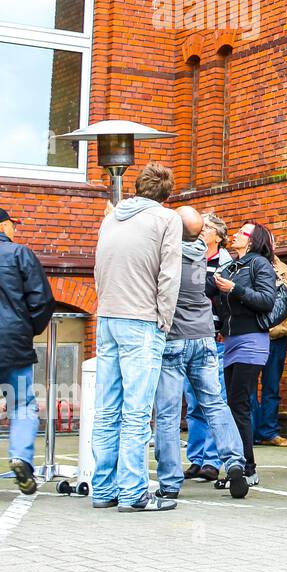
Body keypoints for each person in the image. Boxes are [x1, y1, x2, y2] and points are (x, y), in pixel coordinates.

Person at [91, 163, 183, 512]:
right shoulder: (166, 219)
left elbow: (99, 267)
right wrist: (164, 318)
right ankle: (132, 493)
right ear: (166, 193)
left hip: (108, 315)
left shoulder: (112, 217)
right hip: (142, 319)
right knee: (136, 411)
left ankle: (102, 489)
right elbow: (169, 274)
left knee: (107, 408)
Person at [154, 207, 248, 499]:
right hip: (205, 337)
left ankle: (169, 482)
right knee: (215, 403)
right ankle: (234, 461)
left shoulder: (167, 256)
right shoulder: (199, 253)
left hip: (174, 339)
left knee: (168, 414)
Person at [210, 221, 278, 490]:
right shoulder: (231, 265)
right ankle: (241, 465)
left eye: (242, 232)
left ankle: (246, 467)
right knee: (234, 403)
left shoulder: (259, 264)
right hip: (231, 341)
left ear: (253, 240)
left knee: (239, 403)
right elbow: (207, 290)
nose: (235, 234)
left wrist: (234, 289)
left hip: (251, 341)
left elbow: (266, 301)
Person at [0, 206, 55, 494]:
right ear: (3, 226)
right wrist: (27, 329)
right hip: (12, 343)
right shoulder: (20, 254)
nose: (15, 230)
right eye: (12, 225)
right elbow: (43, 300)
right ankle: (20, 456)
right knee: (22, 404)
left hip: (13, 338)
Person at [182, 212, 232, 481]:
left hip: (215, 338)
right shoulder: (190, 257)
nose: (203, 230)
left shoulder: (226, 265)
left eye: (209, 227)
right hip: (190, 335)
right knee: (193, 404)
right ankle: (196, 458)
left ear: (220, 237)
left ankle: (213, 459)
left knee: (213, 400)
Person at [251, 224, 287, 449]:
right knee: (247, 387)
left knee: (271, 387)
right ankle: (251, 431)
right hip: (251, 335)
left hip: (276, 338)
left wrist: (281, 329)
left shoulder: (284, 269)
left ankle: (268, 431)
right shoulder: (248, 265)